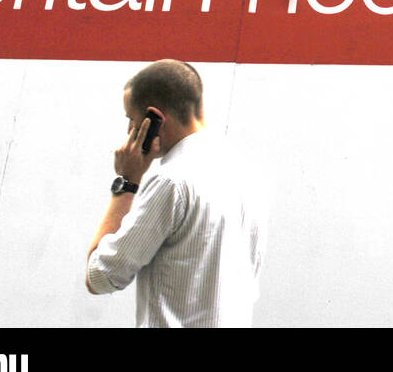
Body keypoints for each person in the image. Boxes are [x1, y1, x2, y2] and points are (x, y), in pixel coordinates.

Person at [85, 59, 267, 327]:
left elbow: (101, 276)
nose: (129, 131)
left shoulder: (170, 181)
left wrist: (127, 182)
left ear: (153, 119)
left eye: (131, 119)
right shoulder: (248, 177)